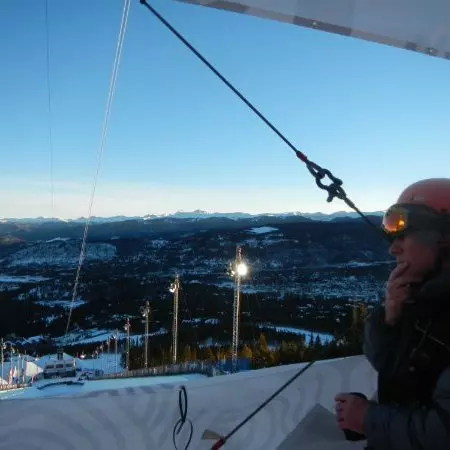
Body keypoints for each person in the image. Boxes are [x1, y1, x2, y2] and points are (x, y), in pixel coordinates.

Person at [335, 178, 450, 450]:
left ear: (444, 237)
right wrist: (389, 319)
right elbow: (394, 369)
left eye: (404, 235)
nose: (392, 248)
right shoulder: (427, 301)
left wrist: (367, 419)